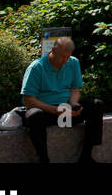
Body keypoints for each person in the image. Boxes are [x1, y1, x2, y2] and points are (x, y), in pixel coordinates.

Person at [21, 36, 104, 164]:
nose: (65, 60)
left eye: (68, 57)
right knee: (34, 116)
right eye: (62, 57)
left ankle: (86, 156)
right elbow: (28, 100)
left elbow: (75, 89)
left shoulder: (73, 62)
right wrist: (54, 110)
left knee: (96, 105)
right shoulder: (36, 67)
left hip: (66, 110)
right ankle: (43, 159)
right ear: (53, 50)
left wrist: (74, 103)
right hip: (47, 111)